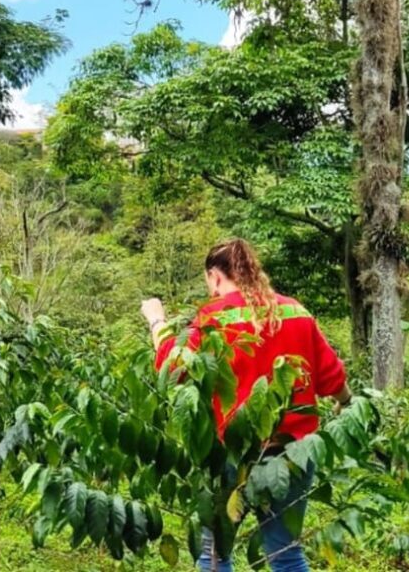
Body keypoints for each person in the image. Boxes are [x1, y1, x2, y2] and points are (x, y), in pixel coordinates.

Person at [141, 239, 352, 572]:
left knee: (215, 553)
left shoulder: (213, 317)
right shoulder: (295, 311)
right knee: (286, 554)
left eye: (208, 282)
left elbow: (173, 366)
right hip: (294, 454)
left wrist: (156, 319)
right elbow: (333, 378)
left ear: (215, 276)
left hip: (233, 454)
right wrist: (346, 404)